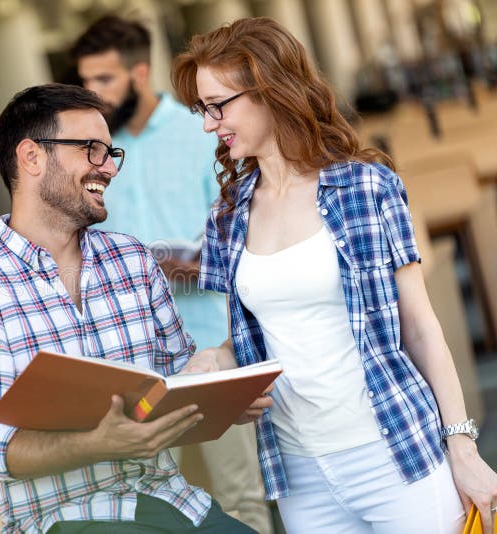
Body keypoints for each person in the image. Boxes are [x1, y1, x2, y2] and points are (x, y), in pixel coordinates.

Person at [172, 17, 497, 533]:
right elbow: (253, 341)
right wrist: (215, 364)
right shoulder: (228, 215)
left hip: (395, 453)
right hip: (300, 473)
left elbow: (419, 325)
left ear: (270, 91)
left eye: (218, 106)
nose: (210, 124)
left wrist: (462, 445)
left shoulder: (366, 186)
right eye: (203, 110)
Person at [0, 83, 258, 533]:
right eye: (91, 150)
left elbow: (177, 379)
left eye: (110, 153)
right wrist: (97, 444)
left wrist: (221, 396)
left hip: (173, 506)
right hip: (65, 521)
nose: (108, 168)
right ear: (31, 158)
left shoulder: (133, 261)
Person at [71, 16, 272, 534]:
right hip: (130, 365)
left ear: (140, 72)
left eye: (104, 79)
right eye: (86, 81)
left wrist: (170, 268)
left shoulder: (204, 134)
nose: (93, 93)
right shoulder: (95, 154)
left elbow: (246, 245)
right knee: (150, 512)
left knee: (240, 499)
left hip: (211, 353)